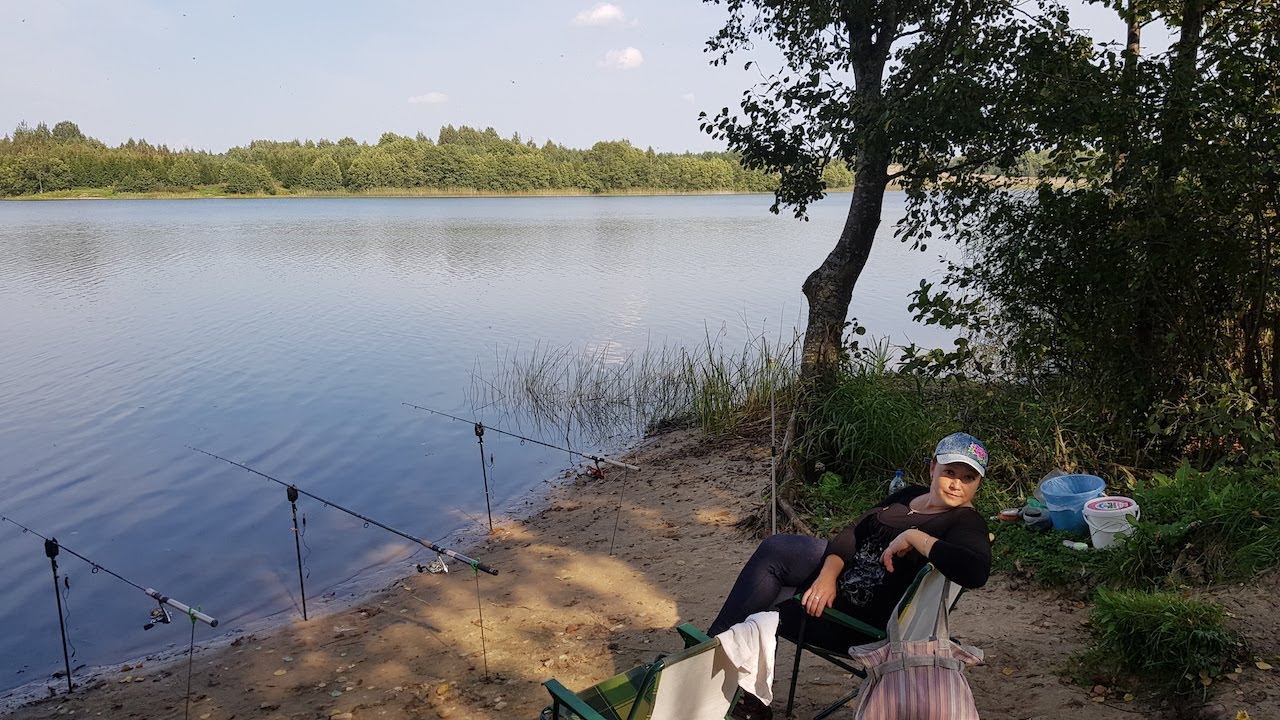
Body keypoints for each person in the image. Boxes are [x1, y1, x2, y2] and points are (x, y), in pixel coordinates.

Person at [709, 432, 993, 720]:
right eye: (949, 472)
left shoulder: (966, 523)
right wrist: (827, 577)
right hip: (841, 581)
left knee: (757, 604)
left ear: (978, 483)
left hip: (857, 621)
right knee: (775, 551)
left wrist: (916, 537)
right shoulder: (910, 494)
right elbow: (854, 530)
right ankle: (729, 681)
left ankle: (719, 677)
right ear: (932, 468)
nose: (956, 484)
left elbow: (976, 571)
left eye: (968, 478)